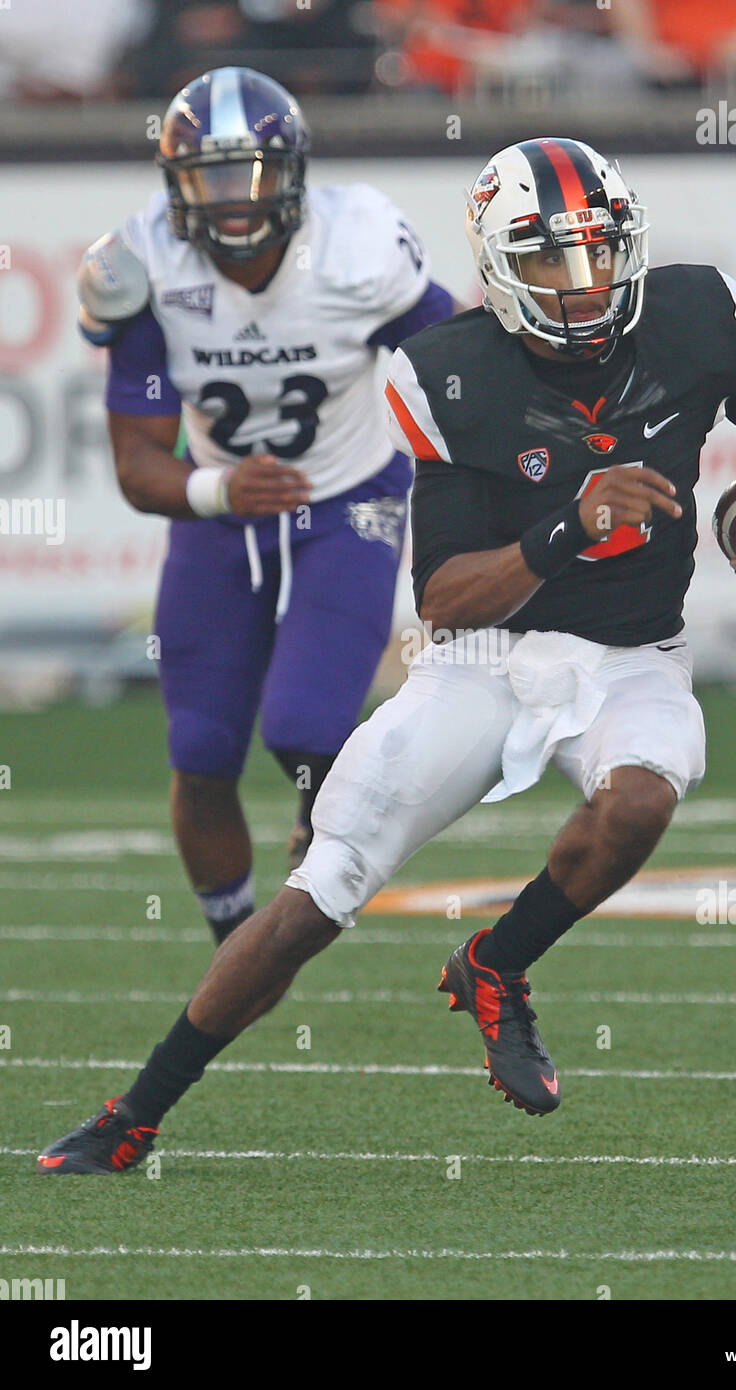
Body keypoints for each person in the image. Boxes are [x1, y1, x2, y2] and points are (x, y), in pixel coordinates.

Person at [38, 136, 736, 1173]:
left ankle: (495, 961)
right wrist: (568, 523)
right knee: (317, 895)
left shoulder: (698, 315)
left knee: (642, 797)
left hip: (630, 656)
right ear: (493, 266)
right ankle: (134, 1116)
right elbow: (440, 598)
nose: (581, 286)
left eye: (597, 254)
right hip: (482, 658)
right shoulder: (449, 372)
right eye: (549, 262)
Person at [77, 65, 455, 947]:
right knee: (202, 752)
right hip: (221, 515)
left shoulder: (357, 243)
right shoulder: (141, 270)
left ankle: (318, 840)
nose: (236, 202)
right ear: (175, 183)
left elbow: (450, 369)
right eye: (211, 177)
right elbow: (137, 466)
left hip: (350, 494)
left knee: (305, 730)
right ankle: (233, 940)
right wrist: (218, 489)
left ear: (293, 173)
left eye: (251, 173)